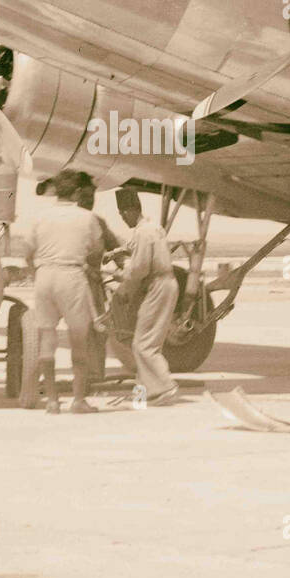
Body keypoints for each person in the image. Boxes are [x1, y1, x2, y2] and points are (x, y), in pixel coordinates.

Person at [27, 169, 103, 414]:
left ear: (56, 190)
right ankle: (78, 400)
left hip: (44, 275)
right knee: (78, 340)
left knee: (47, 339)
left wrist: (37, 270)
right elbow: (97, 251)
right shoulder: (87, 217)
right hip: (71, 275)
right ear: (79, 192)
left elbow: (27, 252)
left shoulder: (40, 217)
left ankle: (51, 401)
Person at [113, 187, 181, 406]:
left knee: (143, 344)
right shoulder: (152, 227)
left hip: (157, 285)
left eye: (124, 213)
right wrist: (116, 253)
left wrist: (123, 284)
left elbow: (139, 268)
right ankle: (143, 395)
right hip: (166, 284)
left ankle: (166, 388)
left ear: (132, 210)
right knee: (147, 342)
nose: (122, 218)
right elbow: (135, 246)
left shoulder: (143, 232)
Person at [75, 173, 123, 384]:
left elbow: (116, 249)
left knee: (97, 332)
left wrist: (127, 269)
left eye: (91, 195)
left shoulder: (98, 222)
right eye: (85, 195)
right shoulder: (69, 220)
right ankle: (85, 376)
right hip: (72, 282)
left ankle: (94, 375)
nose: (89, 199)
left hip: (93, 285)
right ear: (76, 195)